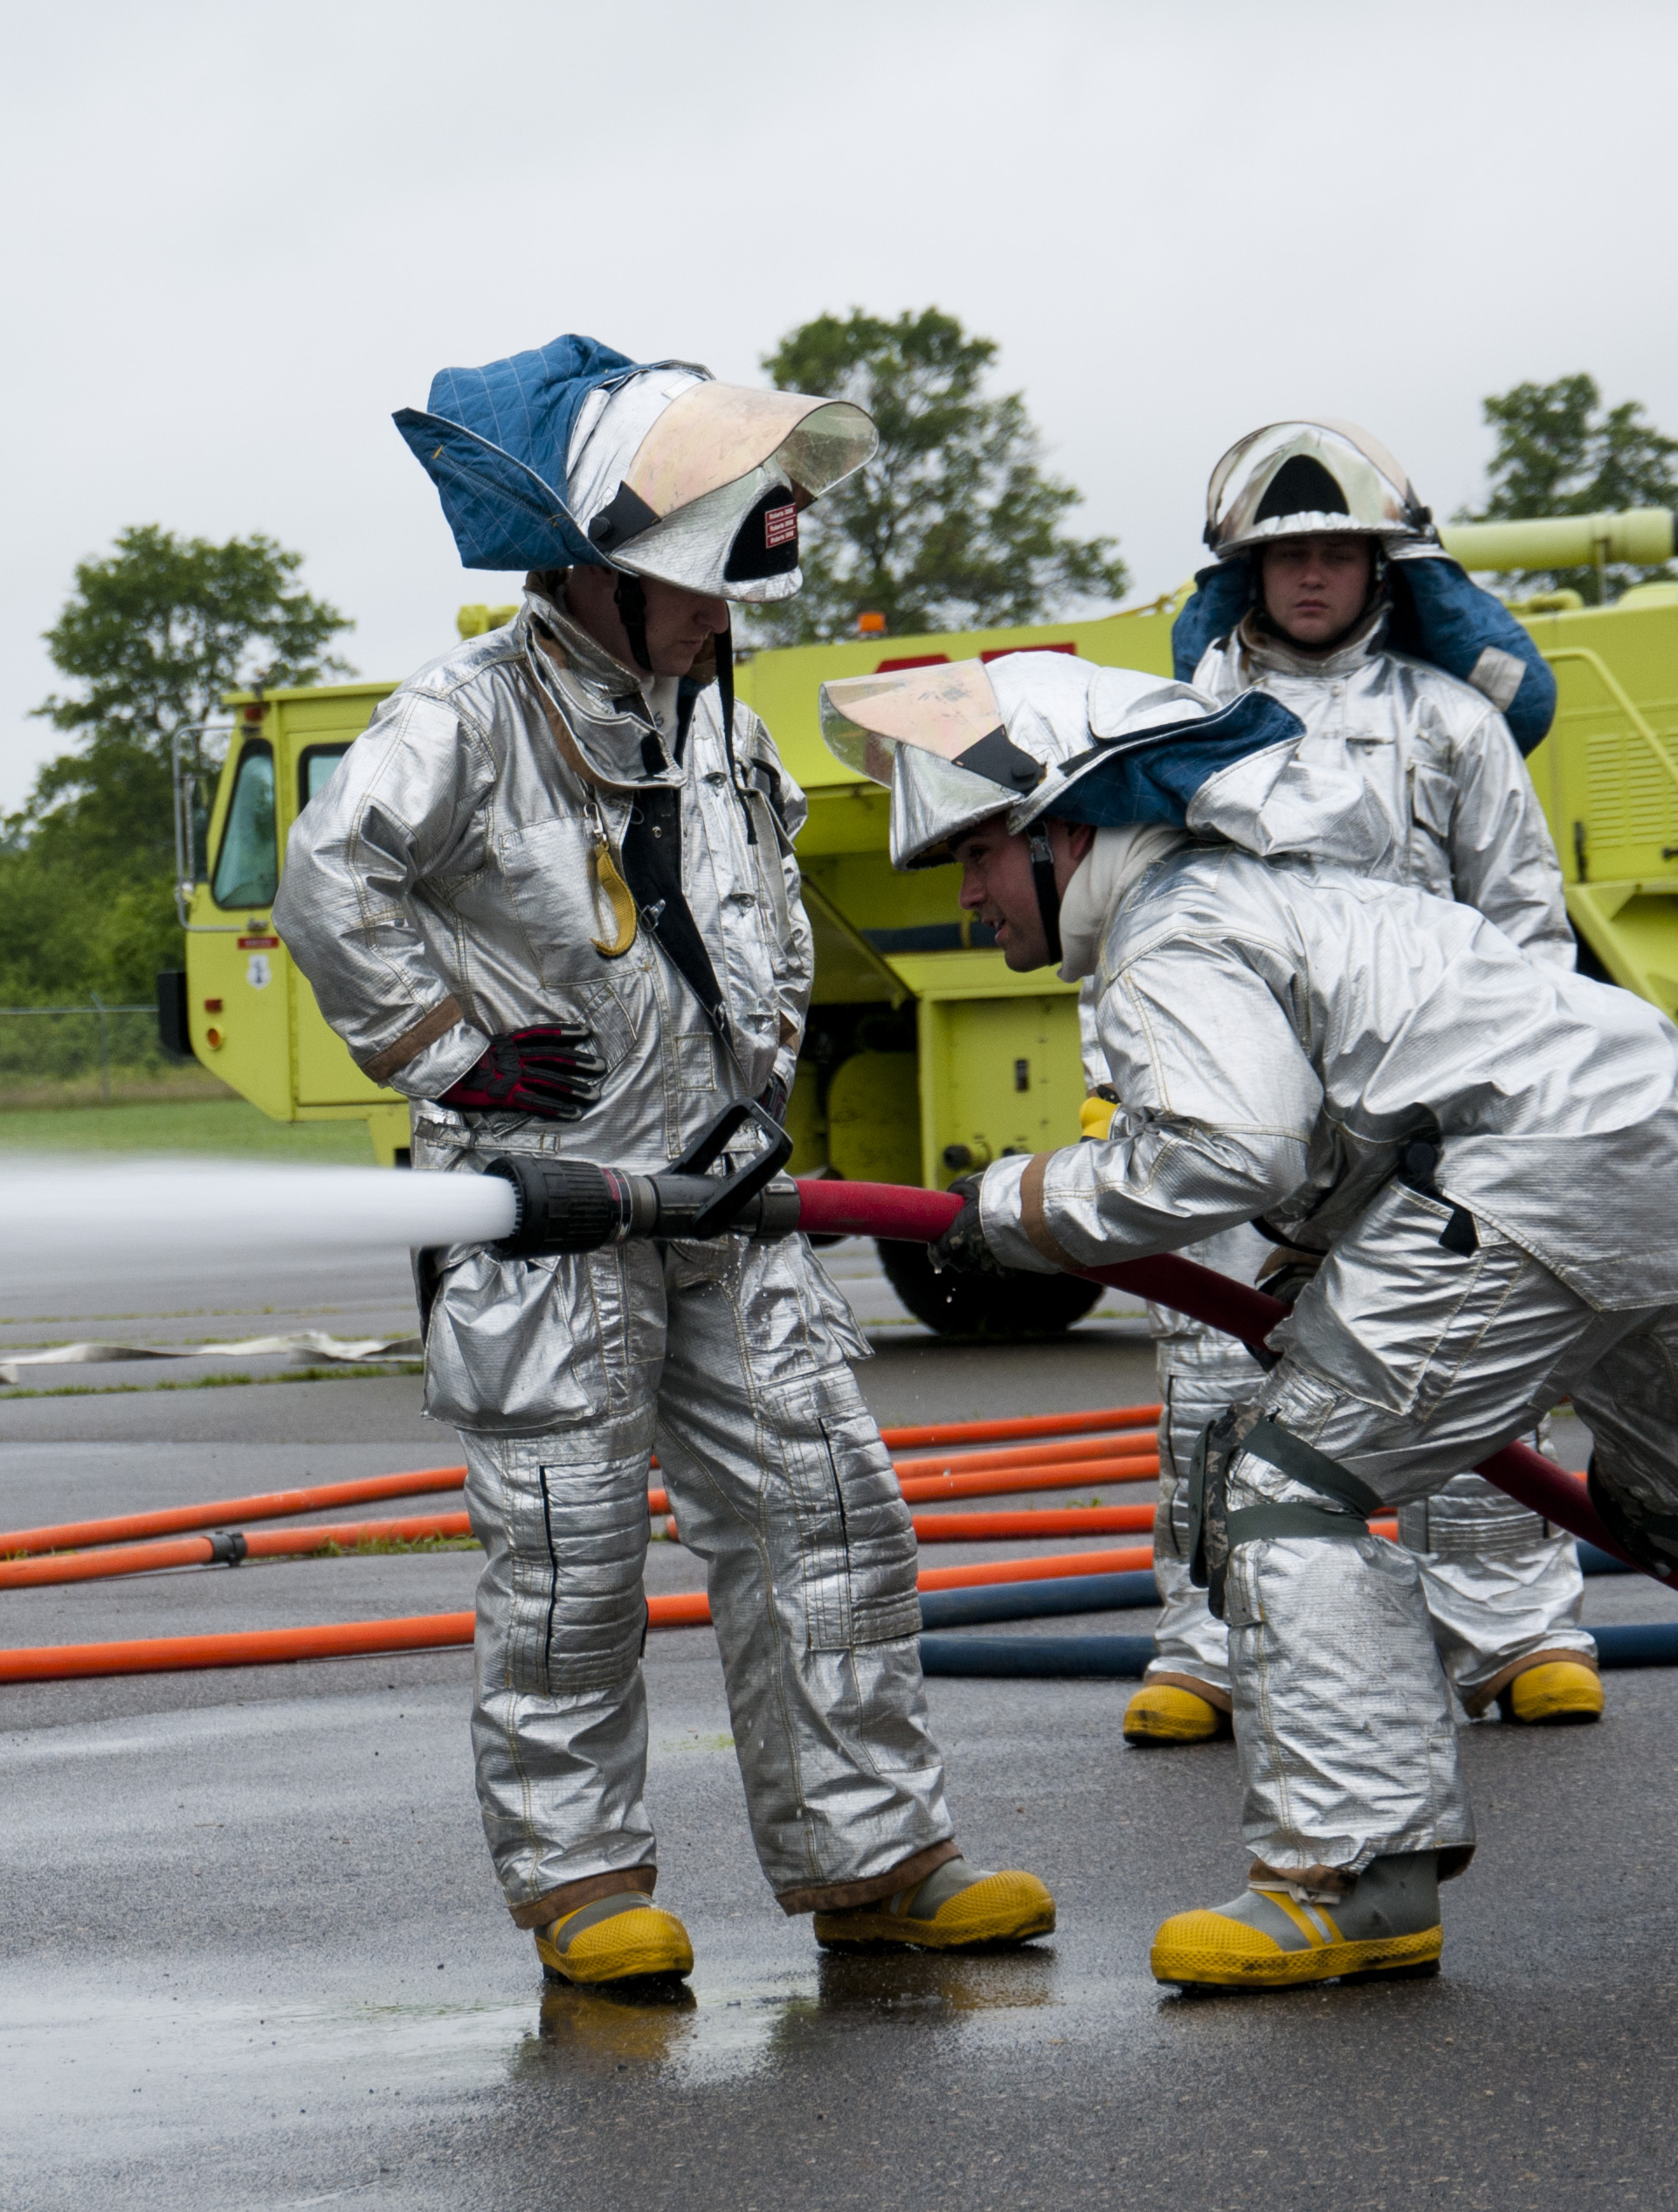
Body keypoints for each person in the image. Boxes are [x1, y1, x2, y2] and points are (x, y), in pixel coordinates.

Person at [821, 649, 1678, 1991]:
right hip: (1661, 1147)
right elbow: (1371, 1109)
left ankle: (1352, 1876)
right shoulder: (1301, 896)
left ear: (1063, 827)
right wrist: (1314, 1264)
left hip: (1523, 1182)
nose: (966, 896)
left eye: (975, 854)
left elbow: (1224, 1152)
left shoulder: (1172, 933)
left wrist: (1014, 1205)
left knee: (1285, 1492)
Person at [278, 337, 1054, 1987]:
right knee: (568, 1557)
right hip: (547, 1217)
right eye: (695, 584)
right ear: (595, 577)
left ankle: (876, 1857)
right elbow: (330, 884)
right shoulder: (468, 717)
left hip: (726, 1198)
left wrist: (759, 1096)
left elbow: (763, 915)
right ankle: (583, 1887)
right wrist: (452, 1060)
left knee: (832, 1512)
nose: (723, 614)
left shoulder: (718, 721)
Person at [1116, 422, 1597, 1753]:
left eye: (1336, 549)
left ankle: (1517, 1631)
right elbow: (1133, 917)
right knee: (1214, 1373)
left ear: (1383, 566)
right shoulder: (1180, 734)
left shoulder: (1453, 724)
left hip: (1428, 1118)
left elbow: (1524, 916)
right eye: (1287, 555)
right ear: (1245, 574)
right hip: (1248, 1115)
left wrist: (1514, 1096)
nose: (1312, 574)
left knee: (1468, 1370)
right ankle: (1209, 1645)